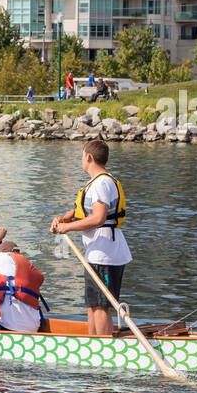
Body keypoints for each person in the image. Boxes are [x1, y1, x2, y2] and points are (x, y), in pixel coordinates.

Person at [50, 137, 131, 337]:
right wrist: (63, 218)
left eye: (81, 156)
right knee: (92, 304)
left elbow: (98, 217)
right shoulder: (96, 183)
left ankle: (104, 348)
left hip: (106, 252)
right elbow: (84, 211)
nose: (81, 160)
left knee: (101, 305)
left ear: (88, 157)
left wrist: (67, 228)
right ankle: (93, 342)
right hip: (97, 251)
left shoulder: (102, 183)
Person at [0, 227, 46, 333]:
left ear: (3, 254)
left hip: (11, 327)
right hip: (33, 327)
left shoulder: (6, 259)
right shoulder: (28, 267)